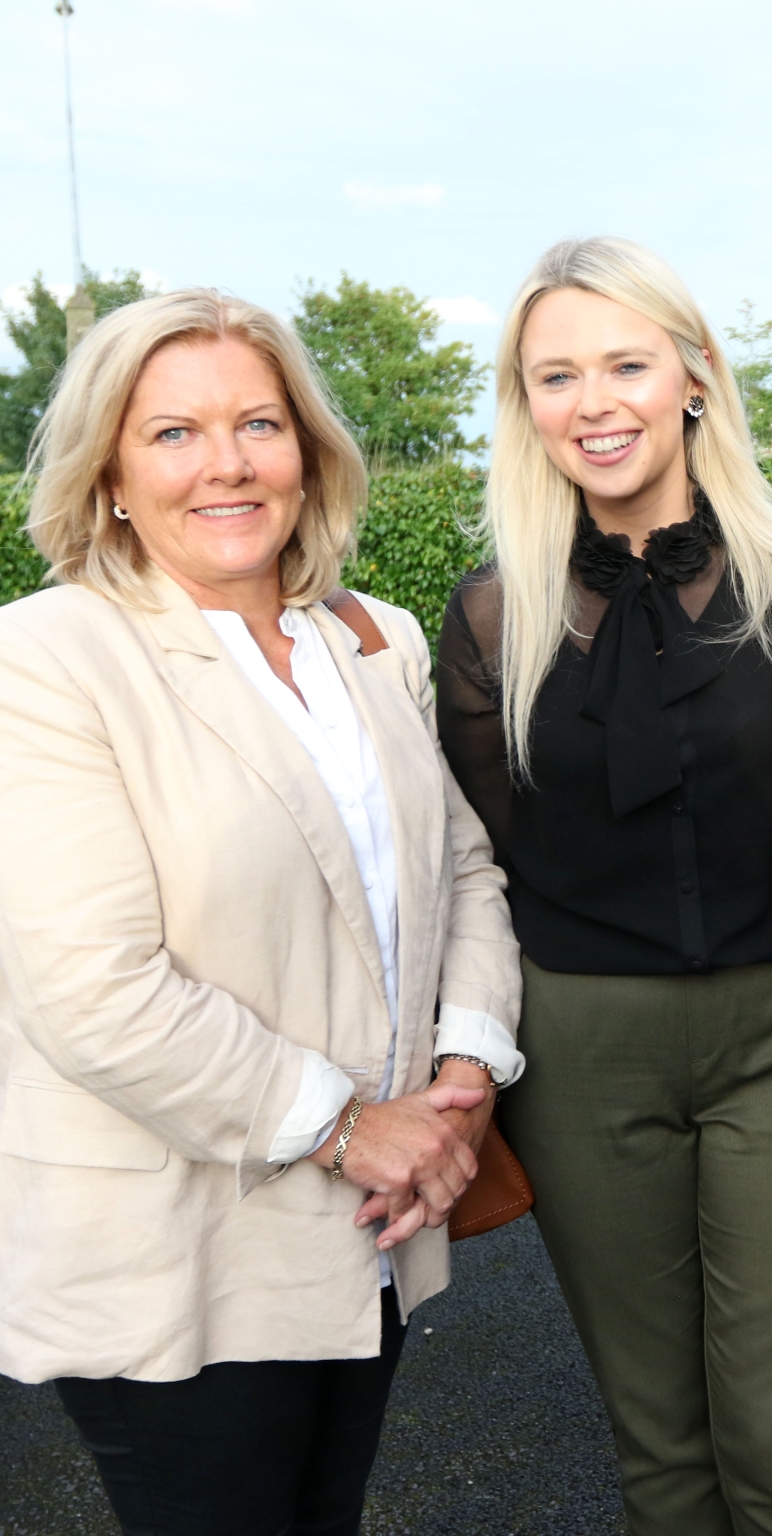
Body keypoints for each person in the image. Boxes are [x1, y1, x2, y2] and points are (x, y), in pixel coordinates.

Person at [435, 236, 772, 1536]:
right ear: (526, 406)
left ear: (694, 376)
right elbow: (486, 852)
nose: (594, 402)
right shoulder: (491, 617)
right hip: (584, 1052)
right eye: (556, 375)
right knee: (661, 1451)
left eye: (626, 363)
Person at [0, 289, 523, 1536]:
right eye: (173, 433)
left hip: (368, 1229)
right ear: (111, 475)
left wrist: (463, 1079)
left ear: (307, 450)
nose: (226, 463)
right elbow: (93, 990)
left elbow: (462, 872)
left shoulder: (371, 640)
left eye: (259, 424)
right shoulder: (47, 659)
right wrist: (353, 1129)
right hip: (174, 1244)